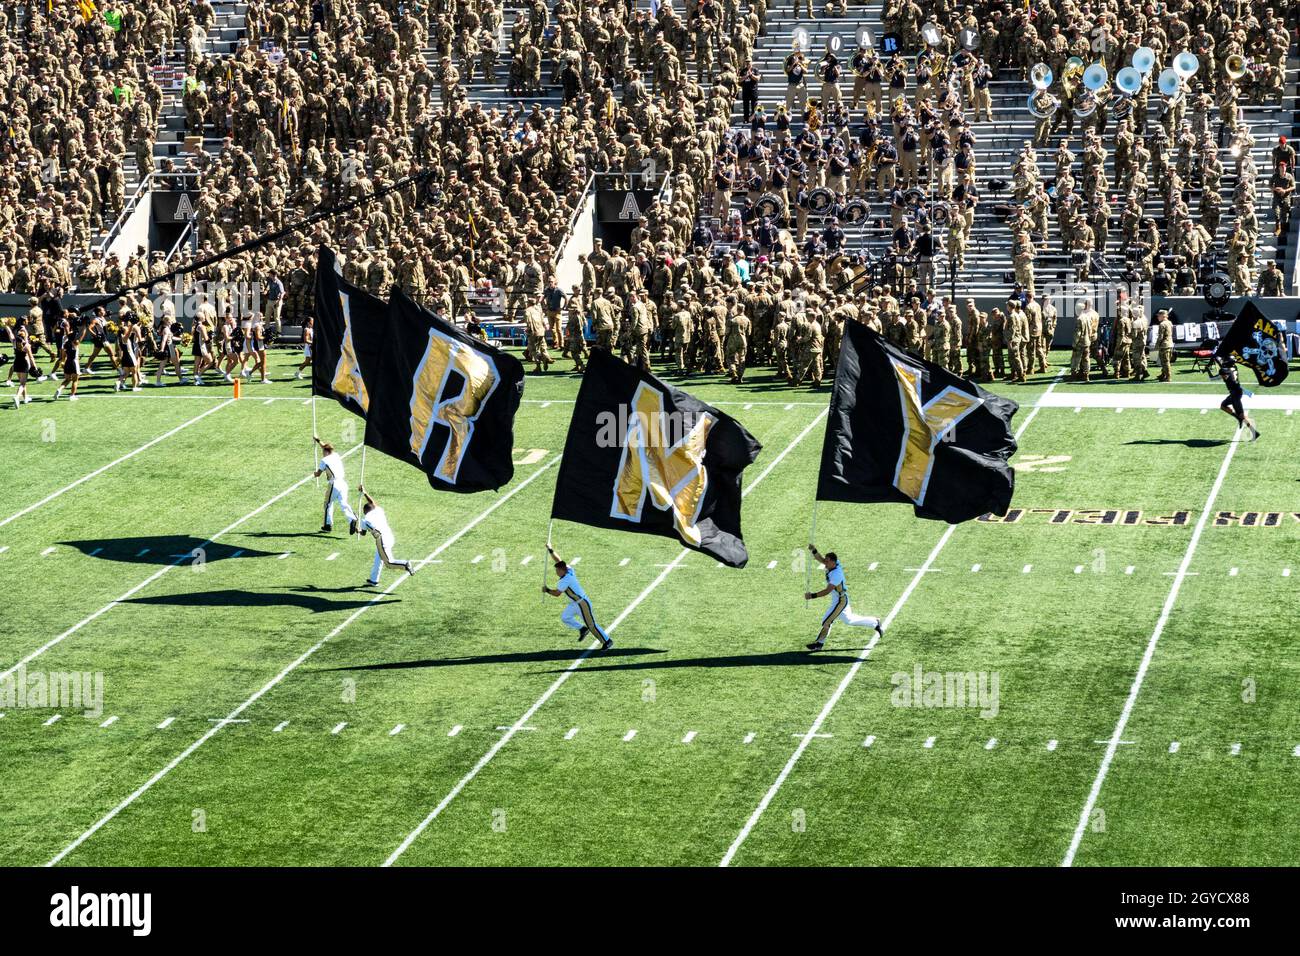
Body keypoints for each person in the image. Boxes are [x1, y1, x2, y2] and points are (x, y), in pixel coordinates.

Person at [803, 544, 883, 651]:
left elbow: (827, 591)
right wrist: (814, 550)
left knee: (826, 621)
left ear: (832, 562)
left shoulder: (836, 574)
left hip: (840, 601)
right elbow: (821, 559)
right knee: (849, 620)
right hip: (839, 599)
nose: (824, 563)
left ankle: (819, 644)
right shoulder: (833, 565)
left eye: (827, 561)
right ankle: (875, 622)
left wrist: (812, 596)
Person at [542, 544, 613, 651]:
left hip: (582, 604)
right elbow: (558, 560)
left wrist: (546, 590)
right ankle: (582, 629)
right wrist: (550, 550)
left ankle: (607, 641)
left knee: (591, 625)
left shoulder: (564, 580)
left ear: (562, 570)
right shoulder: (569, 570)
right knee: (565, 617)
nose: (556, 572)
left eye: (557, 570)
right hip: (574, 603)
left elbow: (557, 593)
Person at [356, 485, 415, 586]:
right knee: (378, 558)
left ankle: (405, 564)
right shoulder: (379, 510)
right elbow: (373, 503)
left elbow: (363, 533)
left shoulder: (365, 519)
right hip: (390, 536)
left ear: (365, 511)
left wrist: (357, 530)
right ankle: (374, 580)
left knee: (388, 563)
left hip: (381, 540)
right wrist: (364, 492)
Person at [312, 436, 359, 535]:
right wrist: (318, 440)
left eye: (323, 452)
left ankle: (327, 525)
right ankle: (352, 519)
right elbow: (324, 447)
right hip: (343, 483)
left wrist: (314, 474)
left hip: (334, 484)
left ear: (326, 451)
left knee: (327, 503)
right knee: (343, 503)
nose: (322, 453)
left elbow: (318, 474)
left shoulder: (324, 461)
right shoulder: (336, 455)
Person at [1215, 356, 1259, 442]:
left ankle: (1254, 432)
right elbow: (1224, 369)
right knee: (1223, 406)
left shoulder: (1225, 371)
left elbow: (1218, 376)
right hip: (1236, 392)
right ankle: (1238, 418)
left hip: (1235, 394)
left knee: (1242, 416)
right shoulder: (1234, 367)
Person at [53, 313, 83, 402]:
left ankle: (59, 389)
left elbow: (63, 355)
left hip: (67, 362)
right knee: (75, 380)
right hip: (74, 362)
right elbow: (81, 337)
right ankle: (72, 395)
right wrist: (84, 328)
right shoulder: (75, 343)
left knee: (67, 379)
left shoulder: (65, 344)